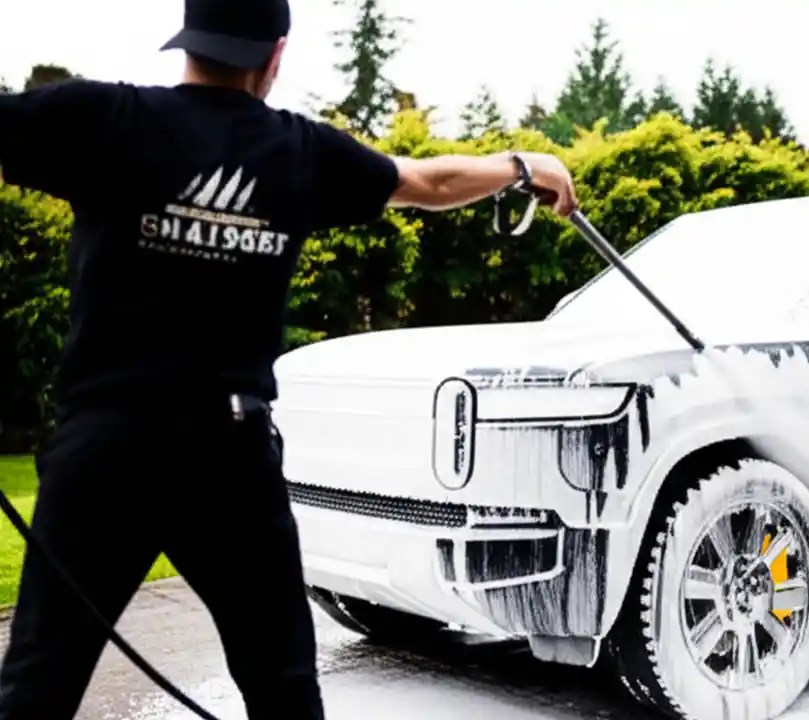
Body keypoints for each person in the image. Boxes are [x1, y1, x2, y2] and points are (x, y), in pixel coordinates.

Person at [0, 0, 578, 717]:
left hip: (101, 457)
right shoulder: (298, 152)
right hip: (226, 461)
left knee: (36, 692)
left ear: (187, 40)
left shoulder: (102, 119)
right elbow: (424, 185)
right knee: (283, 691)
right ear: (275, 56)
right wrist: (524, 164)